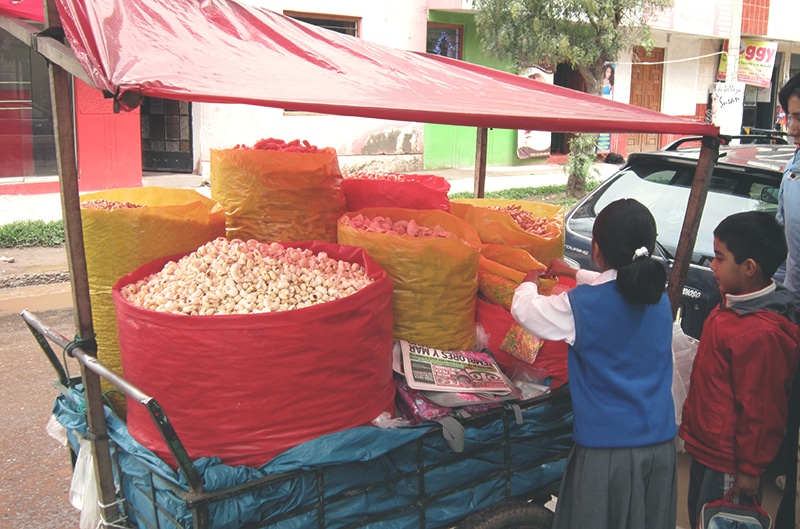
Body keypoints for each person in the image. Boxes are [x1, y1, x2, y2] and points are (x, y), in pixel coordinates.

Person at [510, 198, 677, 529]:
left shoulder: (582, 307)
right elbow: (616, 285)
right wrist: (574, 273)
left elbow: (525, 311)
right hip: (659, 448)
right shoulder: (658, 297)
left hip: (608, 453)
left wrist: (529, 280)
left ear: (597, 249)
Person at [679, 211, 800, 529]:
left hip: (731, 464)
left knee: (721, 519)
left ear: (749, 268)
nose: (712, 266)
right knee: (702, 519)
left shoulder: (760, 334)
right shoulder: (733, 303)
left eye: (719, 258)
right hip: (710, 450)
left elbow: (762, 409)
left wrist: (750, 467)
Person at [775, 71, 800, 299]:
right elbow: (788, 254)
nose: (791, 130)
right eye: (791, 118)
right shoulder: (793, 169)